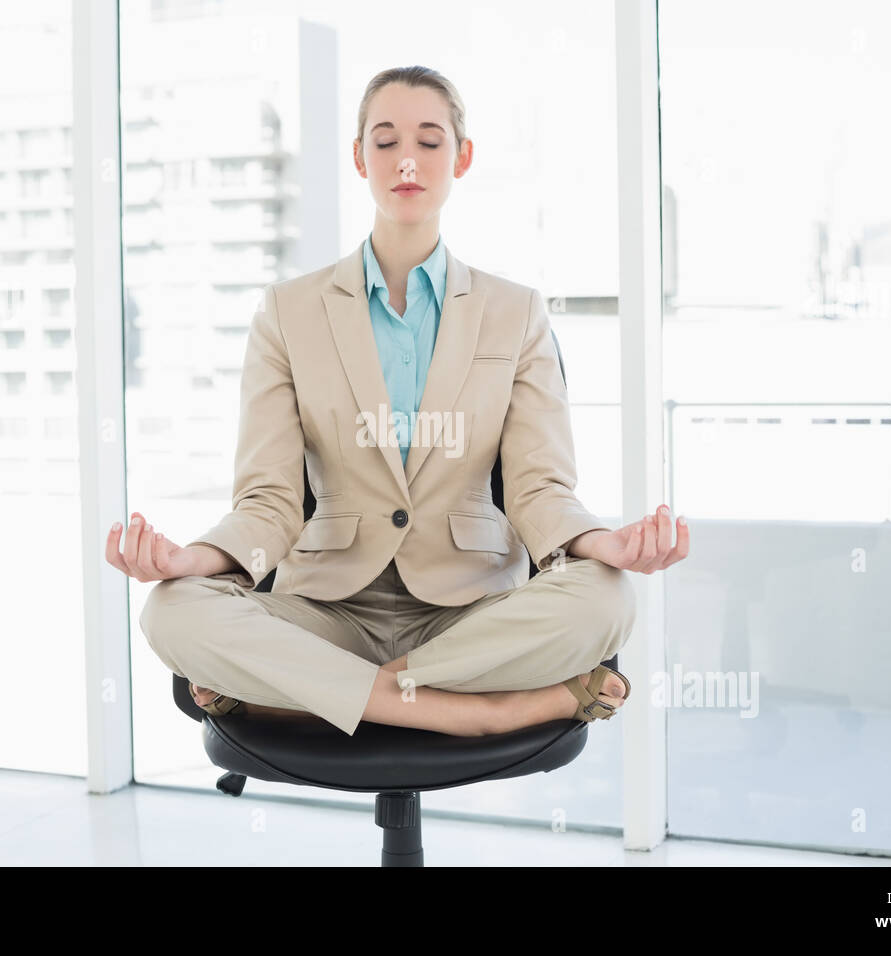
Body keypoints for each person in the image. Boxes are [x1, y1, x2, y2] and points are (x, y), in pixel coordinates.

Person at [106, 65, 690, 738]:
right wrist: (189, 561)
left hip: (469, 610)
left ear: (461, 157)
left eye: (429, 140)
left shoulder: (516, 312)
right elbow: (267, 505)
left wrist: (600, 541)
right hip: (329, 610)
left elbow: (539, 493)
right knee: (172, 610)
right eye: (384, 141)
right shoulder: (287, 313)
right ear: (359, 157)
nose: (406, 159)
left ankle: (315, 691)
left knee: (605, 599)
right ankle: (479, 713)